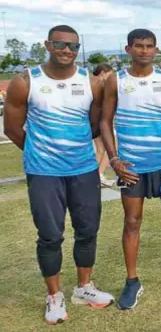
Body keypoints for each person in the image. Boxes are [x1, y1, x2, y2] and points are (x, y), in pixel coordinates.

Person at [2, 25, 114, 324]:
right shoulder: (25, 82)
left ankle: (84, 287)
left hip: (83, 169)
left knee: (88, 230)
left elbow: (94, 126)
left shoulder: (90, 83)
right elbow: (12, 128)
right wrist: (39, 151)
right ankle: (54, 296)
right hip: (44, 172)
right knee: (50, 235)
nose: (67, 50)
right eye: (61, 44)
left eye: (73, 46)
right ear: (48, 45)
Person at [100, 29, 161, 310]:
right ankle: (132, 281)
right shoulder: (116, 81)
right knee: (132, 222)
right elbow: (105, 122)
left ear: (156, 50)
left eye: (150, 46)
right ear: (128, 49)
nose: (144, 51)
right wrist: (114, 159)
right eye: (139, 46)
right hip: (132, 166)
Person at [92, 63, 116, 187]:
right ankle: (96, 175)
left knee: (105, 149)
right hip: (99, 122)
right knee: (103, 148)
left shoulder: (93, 83)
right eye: (109, 75)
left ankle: (98, 174)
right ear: (103, 73)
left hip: (99, 121)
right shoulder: (97, 84)